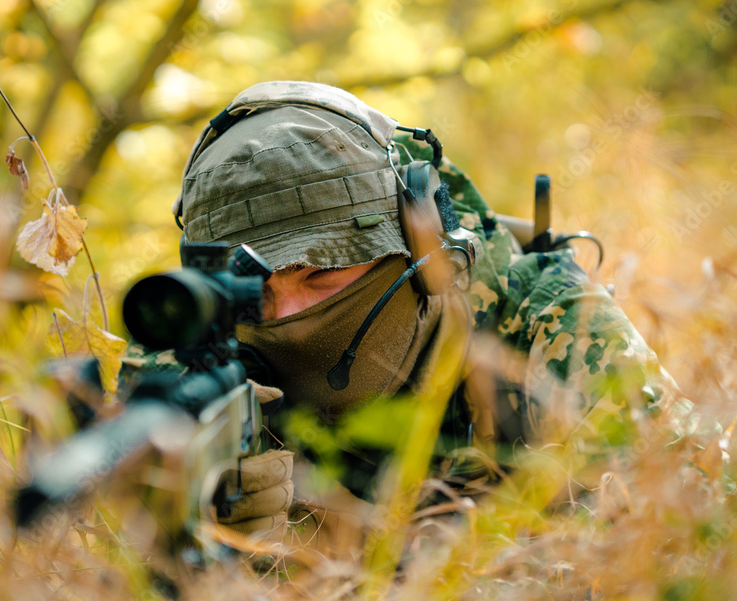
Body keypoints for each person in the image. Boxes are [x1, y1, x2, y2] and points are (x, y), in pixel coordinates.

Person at [149, 80, 694, 560]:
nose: (289, 316)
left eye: (321, 273)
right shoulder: (195, 375)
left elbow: (694, 529)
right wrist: (185, 540)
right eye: (254, 291)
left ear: (421, 240)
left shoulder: (555, 331)